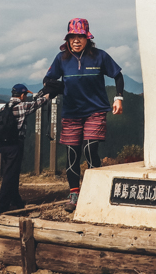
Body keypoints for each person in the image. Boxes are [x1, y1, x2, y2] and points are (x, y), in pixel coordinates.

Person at [45, 18, 124, 213]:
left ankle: (95, 190)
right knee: (72, 154)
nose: (77, 40)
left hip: (95, 111)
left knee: (90, 149)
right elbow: (49, 78)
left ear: (88, 38)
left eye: (80, 36)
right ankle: (74, 193)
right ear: (68, 39)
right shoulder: (61, 58)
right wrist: (54, 87)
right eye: (73, 37)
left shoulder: (99, 56)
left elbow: (118, 75)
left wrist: (118, 97)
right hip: (71, 113)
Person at [0, 83, 51, 214]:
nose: (26, 97)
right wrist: (47, 96)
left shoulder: (4, 107)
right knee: (10, 175)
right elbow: (36, 104)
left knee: (11, 173)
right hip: (15, 144)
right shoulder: (22, 106)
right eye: (25, 94)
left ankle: (16, 201)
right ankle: (1, 207)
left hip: (3, 145)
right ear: (21, 95)